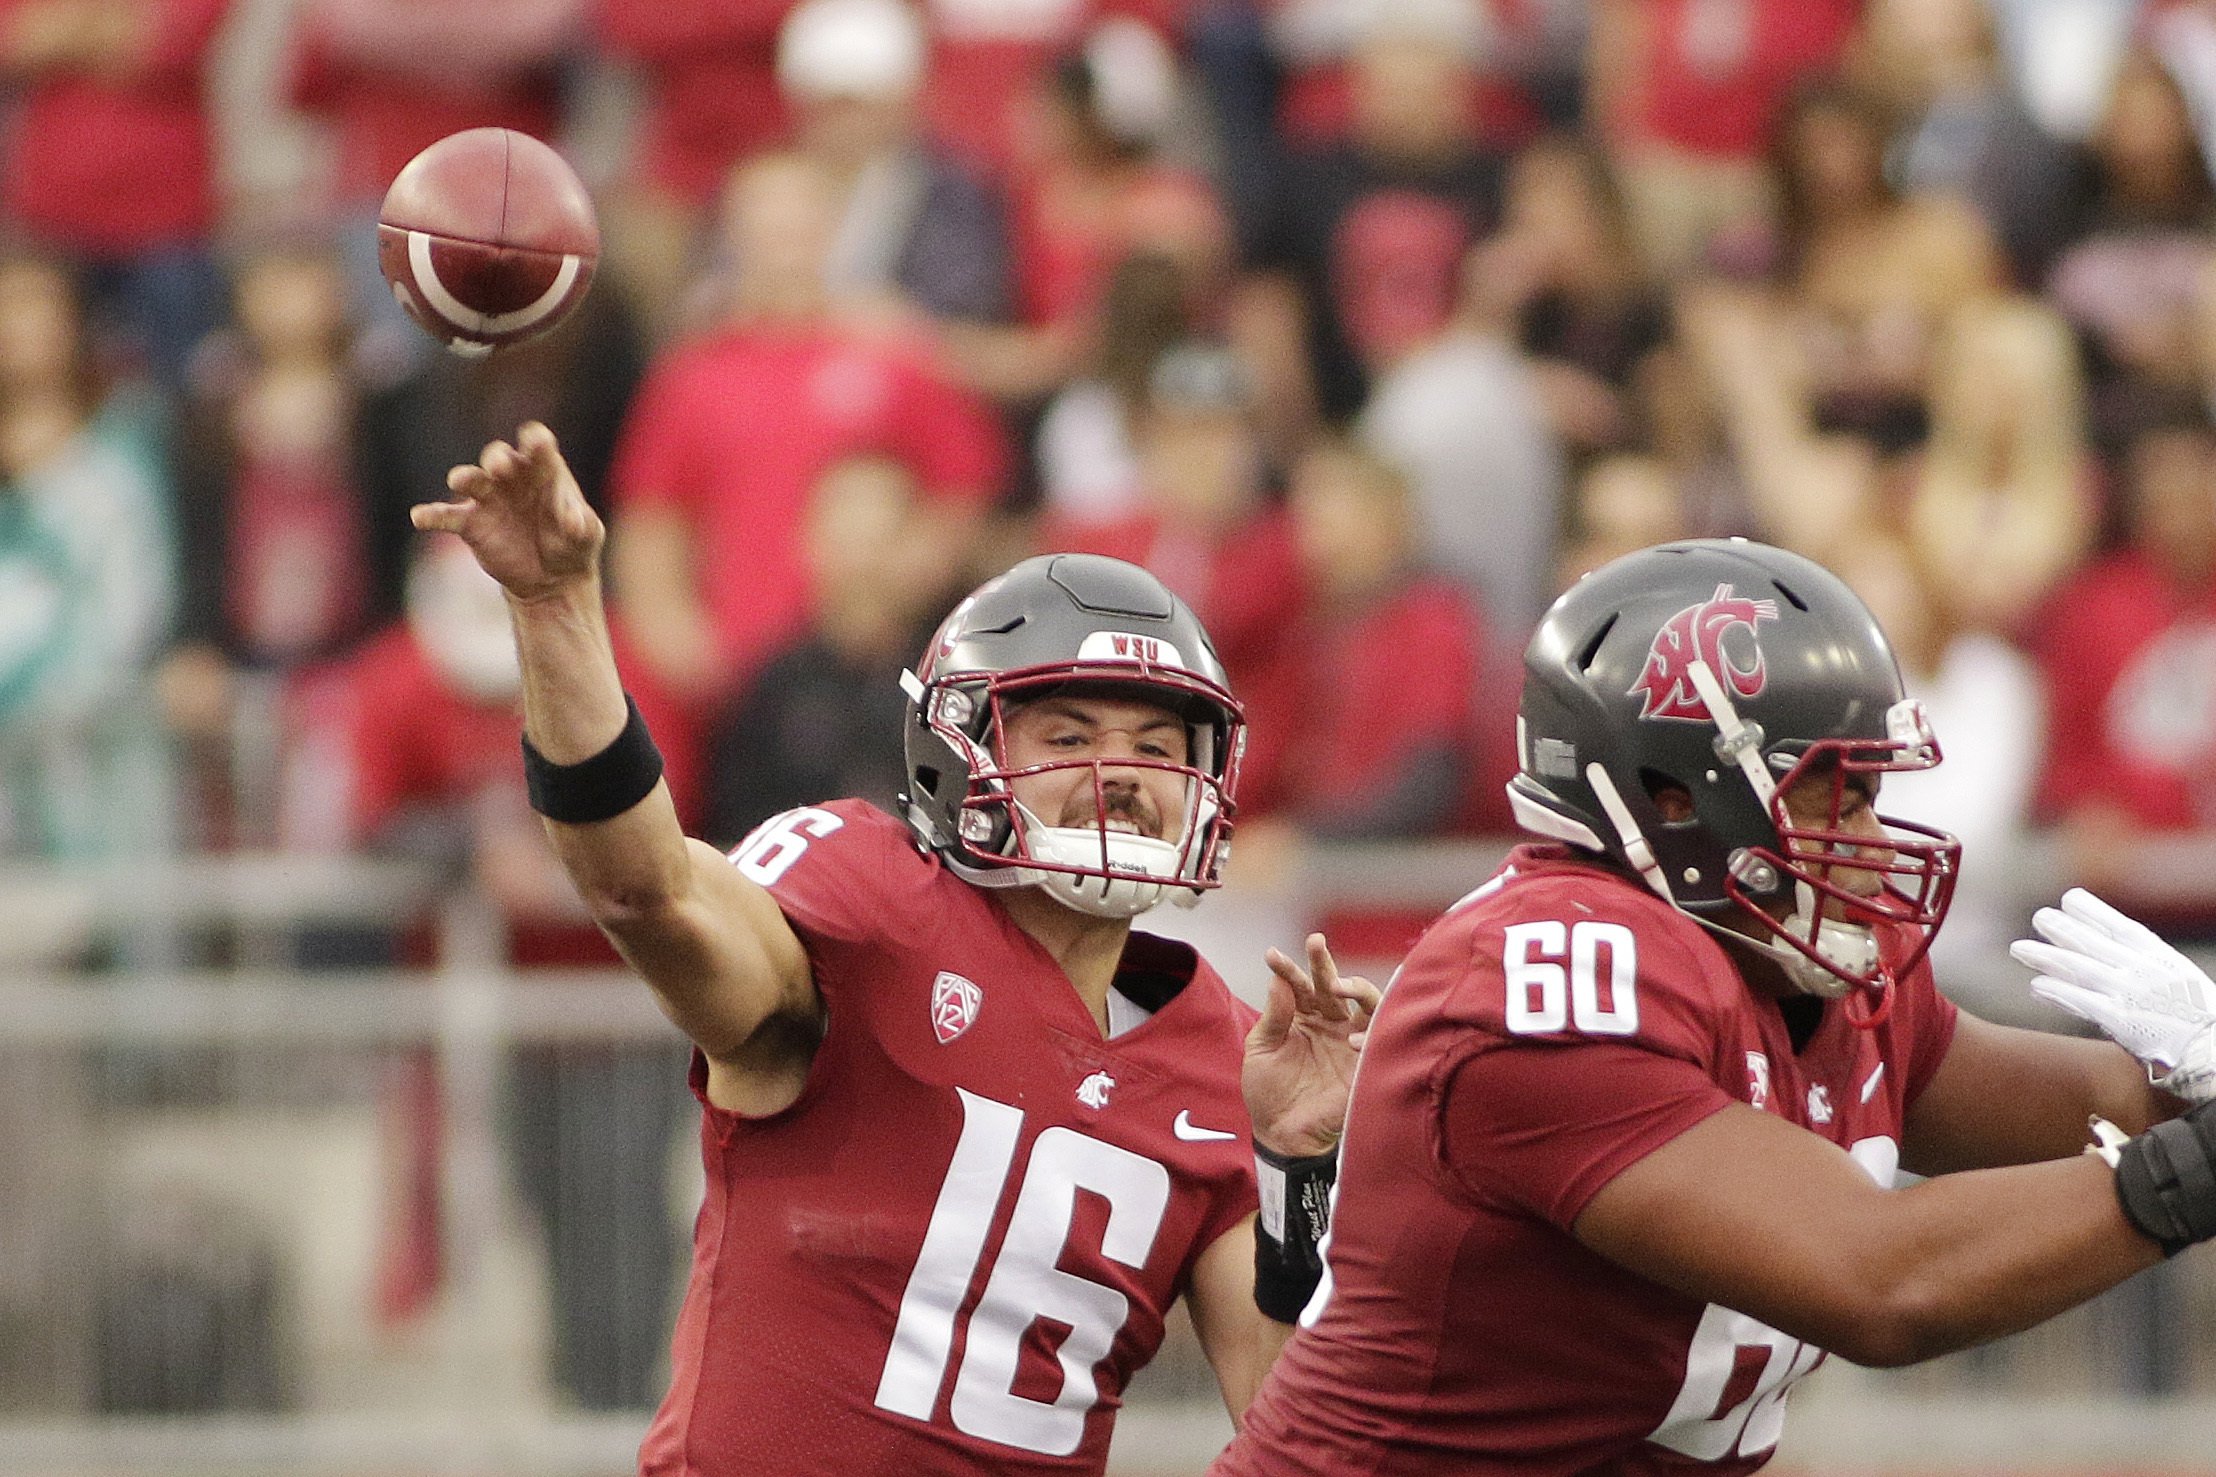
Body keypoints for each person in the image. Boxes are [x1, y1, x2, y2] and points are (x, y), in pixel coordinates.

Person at [415, 422, 1376, 1473]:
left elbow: (1301, 1443)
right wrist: (557, 611)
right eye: (1068, 736)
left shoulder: (1229, 1058)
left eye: (1156, 744)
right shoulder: (866, 902)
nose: (1124, 774)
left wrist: (1300, 1173)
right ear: (957, 749)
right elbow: (642, 888)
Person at [1213, 537, 2216, 1476]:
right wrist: (2188, 1173)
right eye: (1833, 795)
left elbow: (2094, 1111)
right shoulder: (1547, 978)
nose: (1872, 838)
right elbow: (1883, 1280)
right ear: (1675, 798)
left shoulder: (1807, 966)